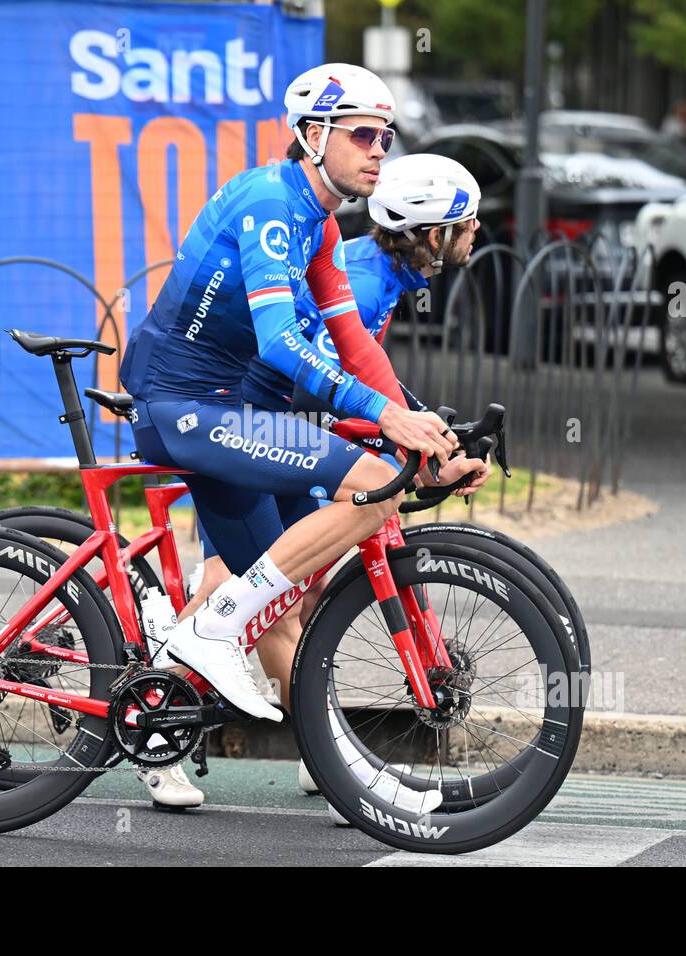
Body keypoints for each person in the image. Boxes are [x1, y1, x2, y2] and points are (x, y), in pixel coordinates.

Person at [120, 63, 486, 810]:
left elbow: (352, 342)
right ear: (313, 136)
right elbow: (284, 345)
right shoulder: (269, 202)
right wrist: (388, 427)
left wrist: (421, 440)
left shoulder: (319, 222)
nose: (379, 151)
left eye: (385, 135)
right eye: (362, 134)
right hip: (184, 404)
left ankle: (308, 753)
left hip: (216, 406)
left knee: (277, 603)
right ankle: (211, 633)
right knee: (366, 490)